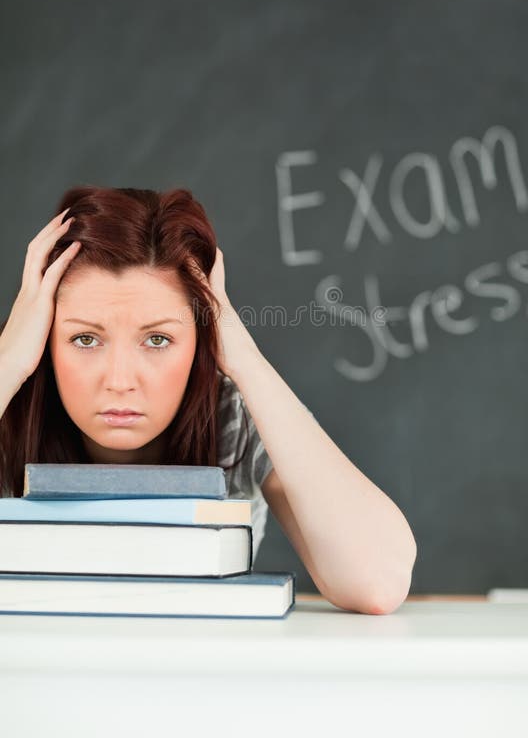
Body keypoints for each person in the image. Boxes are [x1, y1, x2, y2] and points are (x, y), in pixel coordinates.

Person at [0, 185, 417, 614]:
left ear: (202, 340)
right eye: (85, 339)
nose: (120, 381)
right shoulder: (9, 404)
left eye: (158, 339)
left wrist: (246, 361)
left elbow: (377, 582)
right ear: (44, 337)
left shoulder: (233, 413)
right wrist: (8, 362)